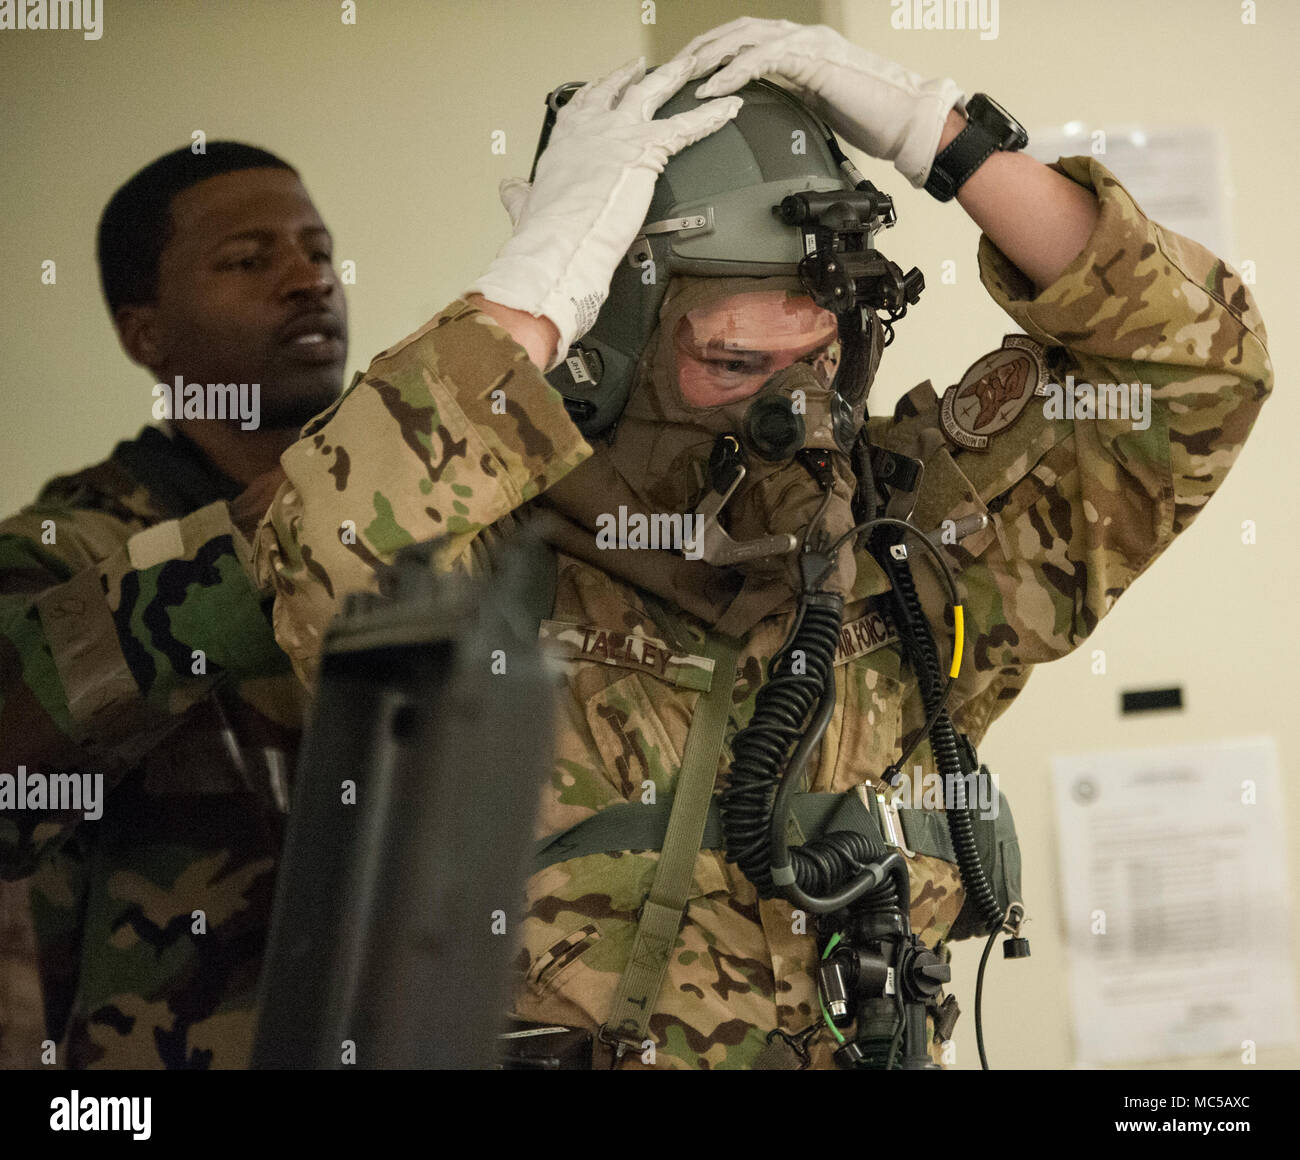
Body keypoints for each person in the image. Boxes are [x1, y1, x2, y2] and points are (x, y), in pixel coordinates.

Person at [250, 20, 1271, 1069]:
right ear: (609, 348)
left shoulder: (916, 542)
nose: (796, 409)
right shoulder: (488, 571)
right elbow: (326, 535)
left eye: (821, 356)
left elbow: (1197, 366)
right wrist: (539, 289)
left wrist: (950, 141)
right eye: (735, 361)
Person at [0, 142, 348, 1068]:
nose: (307, 279)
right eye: (248, 259)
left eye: (318, 251)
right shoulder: (62, 549)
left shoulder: (409, 534)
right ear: (144, 334)